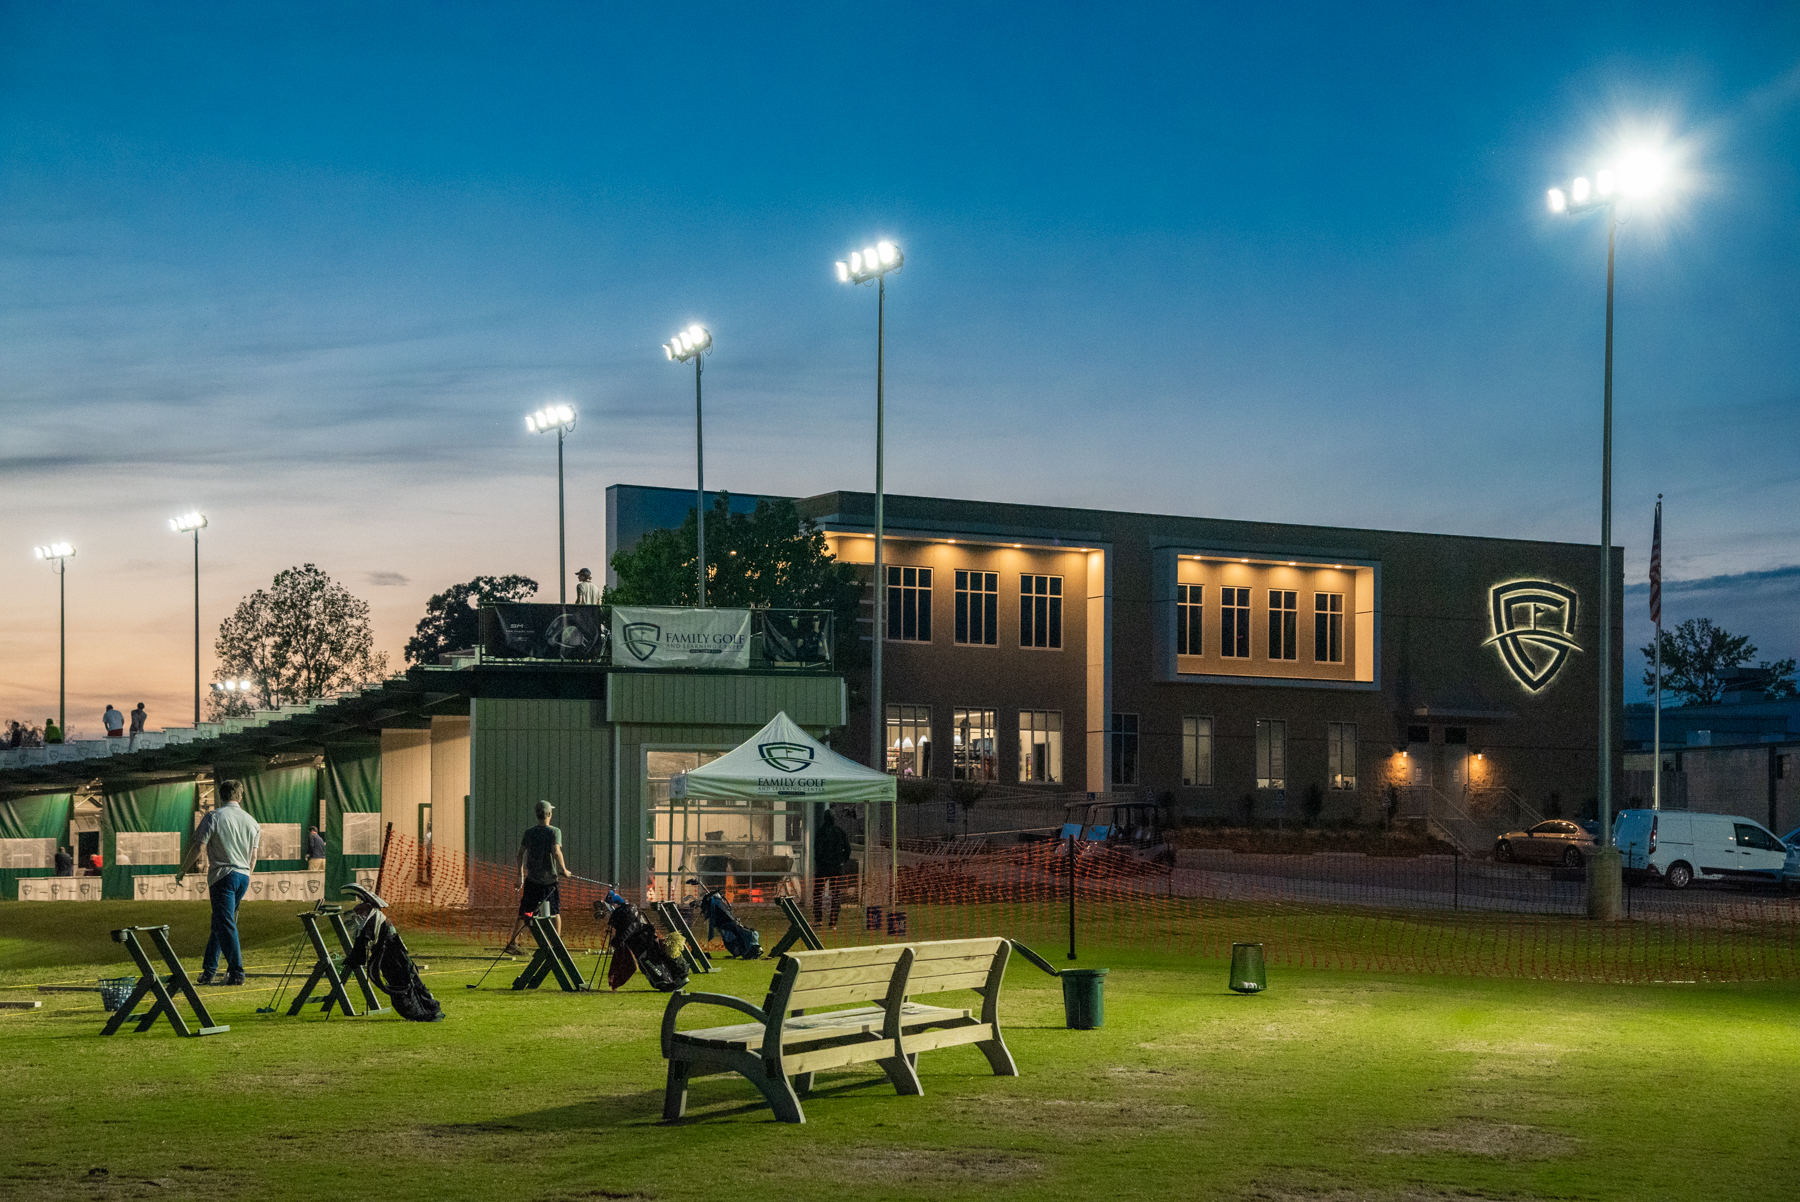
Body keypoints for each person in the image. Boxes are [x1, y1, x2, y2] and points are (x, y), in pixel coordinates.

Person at [176, 780, 261, 986]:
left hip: (223, 875)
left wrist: (182, 870)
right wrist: (247, 875)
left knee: (225, 924)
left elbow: (199, 847)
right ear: (240, 796)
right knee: (220, 924)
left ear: (221, 796)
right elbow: (254, 856)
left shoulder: (213, 817)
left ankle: (236, 972)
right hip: (243, 875)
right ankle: (209, 970)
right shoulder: (252, 822)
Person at [501, 800, 571, 956]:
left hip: (532, 881)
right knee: (555, 913)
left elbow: (520, 854)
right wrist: (564, 870)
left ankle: (512, 944)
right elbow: (556, 852)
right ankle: (556, 946)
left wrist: (520, 876)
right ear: (549, 814)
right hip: (549, 882)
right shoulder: (554, 832)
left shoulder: (529, 832)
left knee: (525, 913)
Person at [813, 806, 852, 929]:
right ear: (834, 818)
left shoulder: (820, 832)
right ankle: (833, 922)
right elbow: (848, 849)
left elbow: (816, 849)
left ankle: (818, 919)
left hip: (823, 868)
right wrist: (842, 861)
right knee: (836, 895)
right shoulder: (839, 832)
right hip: (837, 868)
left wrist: (819, 862)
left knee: (818, 893)